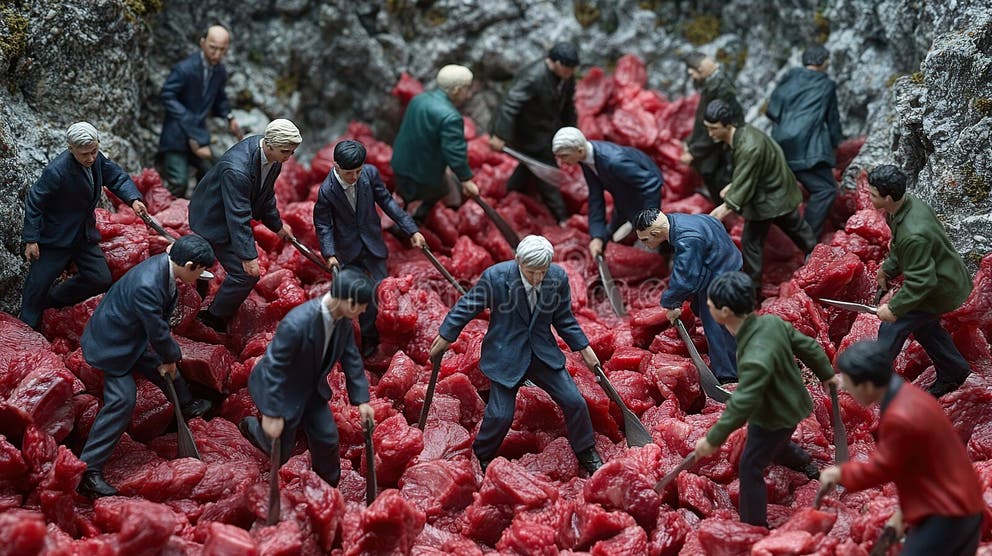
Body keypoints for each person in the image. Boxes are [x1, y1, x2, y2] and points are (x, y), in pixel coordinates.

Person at [429, 235, 604, 474]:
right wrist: (446, 335)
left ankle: (585, 449)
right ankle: (482, 454)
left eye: (542, 271)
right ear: (518, 262)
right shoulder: (496, 277)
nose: (537, 278)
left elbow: (564, 319)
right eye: (531, 272)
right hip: (506, 354)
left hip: (542, 354)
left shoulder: (557, 278)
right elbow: (468, 306)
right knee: (500, 415)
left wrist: (584, 348)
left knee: (575, 401)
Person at [75, 234, 216, 498]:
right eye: (201, 271)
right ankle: (88, 472)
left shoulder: (165, 267)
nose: (201, 276)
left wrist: (168, 359)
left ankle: (185, 404)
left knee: (162, 368)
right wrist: (171, 357)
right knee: (123, 401)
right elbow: (157, 331)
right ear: (188, 265)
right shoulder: (148, 286)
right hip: (112, 347)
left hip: (131, 336)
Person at [693, 271, 836, 527]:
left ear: (725, 312)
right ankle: (805, 463)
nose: (708, 306)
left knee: (750, 466)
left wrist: (713, 439)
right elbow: (810, 347)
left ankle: (753, 524)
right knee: (777, 443)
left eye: (711, 304)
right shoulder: (771, 323)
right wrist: (827, 375)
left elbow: (743, 403)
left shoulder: (754, 357)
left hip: (773, 415)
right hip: (793, 403)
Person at [819, 340, 983, 555]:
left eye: (849, 385)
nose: (848, 391)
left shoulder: (900, 416)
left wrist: (839, 473)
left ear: (867, 385)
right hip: (959, 503)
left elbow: (884, 468)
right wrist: (903, 515)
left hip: (947, 513)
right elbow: (920, 466)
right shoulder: (911, 396)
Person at [238, 268, 376, 487]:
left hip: (312, 389)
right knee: (280, 449)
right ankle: (252, 427)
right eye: (363, 305)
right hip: (284, 389)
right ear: (349, 303)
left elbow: (352, 360)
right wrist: (272, 413)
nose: (364, 310)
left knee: (327, 438)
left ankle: (328, 487)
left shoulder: (343, 323)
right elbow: (275, 367)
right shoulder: (297, 323)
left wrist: (362, 401)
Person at [19, 122, 148, 331]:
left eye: (93, 151)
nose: (89, 158)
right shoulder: (57, 171)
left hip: (83, 234)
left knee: (100, 278)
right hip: (56, 236)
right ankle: (27, 330)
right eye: (83, 154)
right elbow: (35, 201)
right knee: (37, 285)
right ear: (71, 150)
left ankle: (55, 299)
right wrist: (31, 239)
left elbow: (116, 177)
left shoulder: (97, 160)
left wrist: (133, 199)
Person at [313, 139, 427, 358]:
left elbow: (388, 203)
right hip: (348, 249)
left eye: (358, 170)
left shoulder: (370, 174)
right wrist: (330, 254)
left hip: (372, 243)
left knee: (382, 289)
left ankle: (386, 335)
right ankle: (367, 339)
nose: (355, 177)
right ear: (336, 166)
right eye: (349, 173)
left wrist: (412, 230)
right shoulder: (327, 191)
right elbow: (323, 225)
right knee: (358, 297)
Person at [868, 164, 973, 397]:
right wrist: (887, 269)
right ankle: (954, 371)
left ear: (887, 197)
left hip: (938, 288)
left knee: (891, 328)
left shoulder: (914, 233)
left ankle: (873, 382)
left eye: (872, 194)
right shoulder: (905, 207)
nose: (869, 197)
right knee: (926, 328)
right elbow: (900, 247)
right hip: (943, 277)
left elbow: (921, 282)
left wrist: (893, 308)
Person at [188, 118, 300, 332]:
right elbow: (238, 216)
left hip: (228, 214)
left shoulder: (273, 158)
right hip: (213, 219)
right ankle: (212, 316)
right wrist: (248, 257)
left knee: (205, 260)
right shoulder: (237, 169)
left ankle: (201, 293)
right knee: (245, 275)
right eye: (287, 151)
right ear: (270, 144)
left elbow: (266, 196)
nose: (289, 157)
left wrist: (277, 225)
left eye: (292, 152)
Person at [704, 99, 817, 288]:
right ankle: (818, 255)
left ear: (727, 125)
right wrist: (734, 185)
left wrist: (722, 210)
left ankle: (751, 289)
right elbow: (751, 171)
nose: (710, 133)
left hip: (770, 197)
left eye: (713, 128)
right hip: (776, 191)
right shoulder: (744, 134)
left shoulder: (749, 145)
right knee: (795, 227)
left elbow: (746, 178)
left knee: (752, 242)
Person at [634, 208, 741, 383]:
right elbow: (715, 225)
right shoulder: (680, 219)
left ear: (655, 233)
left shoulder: (687, 239)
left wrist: (671, 302)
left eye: (646, 239)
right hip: (728, 264)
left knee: (716, 326)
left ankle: (728, 376)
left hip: (720, 278)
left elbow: (686, 277)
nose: (645, 244)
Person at [489, 42, 579, 224]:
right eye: (568, 68)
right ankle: (561, 217)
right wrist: (500, 135)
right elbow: (509, 104)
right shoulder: (533, 77)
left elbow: (568, 104)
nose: (571, 72)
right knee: (547, 173)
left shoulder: (566, 76)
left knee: (529, 166)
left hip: (547, 128)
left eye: (573, 68)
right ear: (556, 63)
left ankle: (511, 192)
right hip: (528, 132)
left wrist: (571, 130)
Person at [552, 127, 663, 258]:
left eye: (564, 156)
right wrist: (597, 236)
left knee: (647, 242)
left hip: (639, 192)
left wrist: (649, 223)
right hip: (622, 193)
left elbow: (651, 183)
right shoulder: (585, 160)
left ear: (580, 150)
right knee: (611, 231)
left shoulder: (614, 161)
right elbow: (595, 196)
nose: (562, 162)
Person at [767, 45, 843, 237]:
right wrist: (836, 144)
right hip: (808, 148)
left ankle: (785, 236)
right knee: (825, 190)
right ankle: (807, 238)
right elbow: (832, 118)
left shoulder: (788, 78)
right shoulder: (826, 85)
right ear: (823, 62)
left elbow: (772, 111)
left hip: (780, 144)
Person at [158, 24, 242, 198]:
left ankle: (196, 210)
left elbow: (219, 99)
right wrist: (188, 120)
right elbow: (167, 95)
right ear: (202, 43)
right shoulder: (185, 69)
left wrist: (229, 117)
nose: (217, 54)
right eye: (213, 48)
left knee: (212, 173)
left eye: (222, 50)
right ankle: (163, 219)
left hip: (198, 134)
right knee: (178, 182)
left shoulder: (219, 71)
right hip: (177, 136)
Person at [390, 64, 480, 224]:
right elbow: (455, 153)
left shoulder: (419, 99)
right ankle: (414, 220)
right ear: (457, 90)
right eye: (467, 89)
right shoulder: (451, 117)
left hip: (400, 161)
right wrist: (466, 179)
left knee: (405, 192)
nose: (468, 94)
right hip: (422, 174)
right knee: (440, 189)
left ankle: (402, 210)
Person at [681, 52, 742, 202]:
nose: (692, 76)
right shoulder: (713, 83)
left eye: (694, 72)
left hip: (720, 143)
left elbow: (716, 126)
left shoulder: (721, 89)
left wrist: (694, 151)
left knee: (713, 174)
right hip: (713, 138)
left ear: (700, 71)